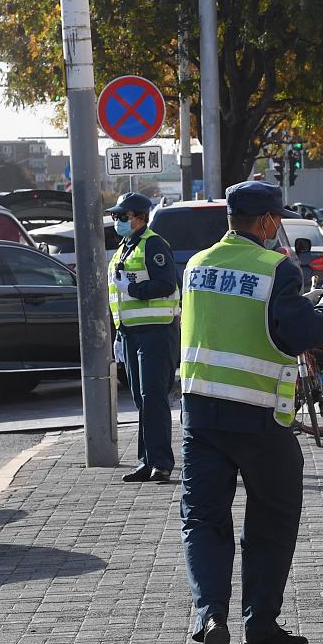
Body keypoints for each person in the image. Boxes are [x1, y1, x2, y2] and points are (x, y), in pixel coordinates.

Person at [179, 181, 323, 644]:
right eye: (277, 219)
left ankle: (208, 618)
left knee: (202, 520)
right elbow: (297, 333)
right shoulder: (275, 268)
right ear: (265, 222)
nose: (278, 226)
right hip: (260, 417)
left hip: (201, 416)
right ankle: (259, 626)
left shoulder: (196, 266)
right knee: (271, 520)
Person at [107, 192, 180, 483]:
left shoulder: (153, 244)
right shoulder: (125, 247)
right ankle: (146, 460)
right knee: (141, 399)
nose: (117, 221)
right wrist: (119, 333)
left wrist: (134, 290)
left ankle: (161, 462)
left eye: (122, 217)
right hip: (131, 333)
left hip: (156, 331)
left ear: (140, 217)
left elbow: (166, 284)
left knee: (153, 397)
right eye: (115, 217)